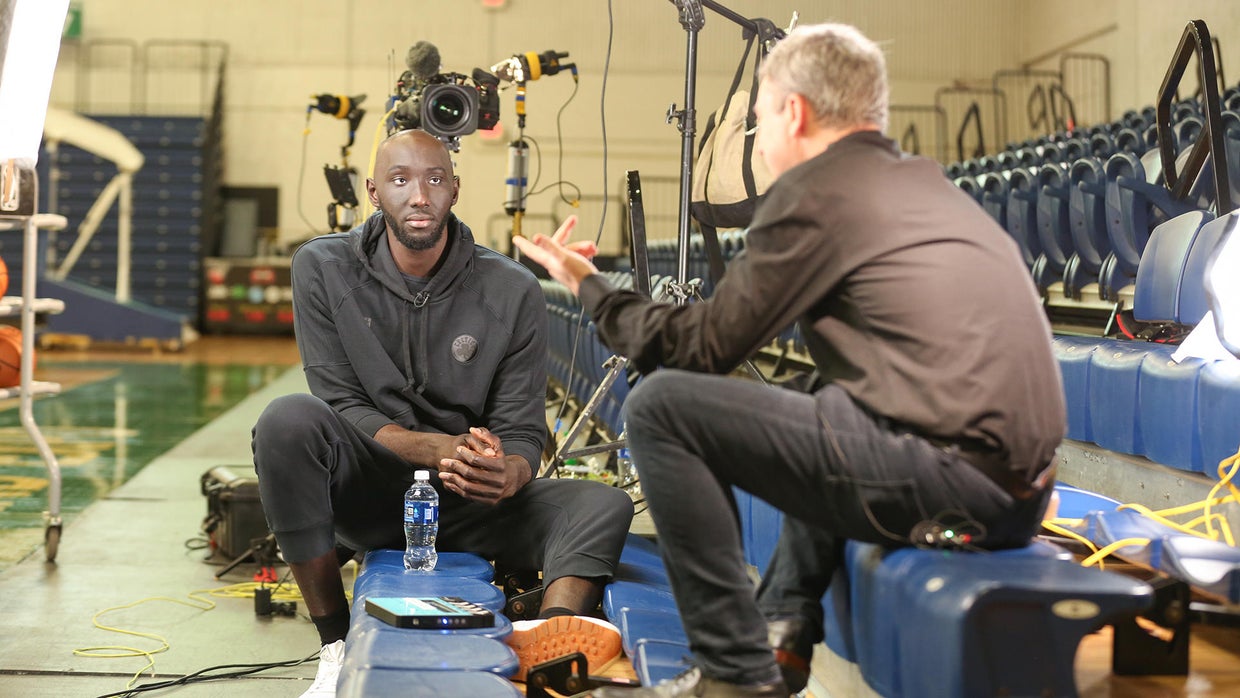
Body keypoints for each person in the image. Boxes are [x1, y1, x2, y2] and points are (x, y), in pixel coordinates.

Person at [514, 22, 1065, 698]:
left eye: (757, 119)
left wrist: (591, 289)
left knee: (662, 406)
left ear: (794, 113)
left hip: (953, 487)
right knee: (812, 389)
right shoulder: (925, 185)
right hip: (1020, 491)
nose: (758, 138)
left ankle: (733, 675)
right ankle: (780, 639)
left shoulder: (818, 191)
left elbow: (701, 348)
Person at [252, 129, 634, 697]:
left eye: (434, 179)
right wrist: (432, 447)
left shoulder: (510, 287)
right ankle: (334, 645)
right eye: (401, 180)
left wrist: (510, 472)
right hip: (370, 491)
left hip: (467, 500)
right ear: (373, 191)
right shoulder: (322, 266)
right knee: (287, 422)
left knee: (604, 502)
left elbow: (524, 429)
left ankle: (549, 643)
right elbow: (339, 402)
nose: (420, 196)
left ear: (455, 190)